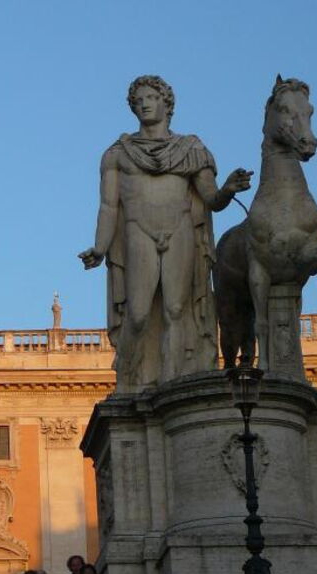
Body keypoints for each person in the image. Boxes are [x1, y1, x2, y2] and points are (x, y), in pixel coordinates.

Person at [79, 75, 251, 393]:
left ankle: (172, 385)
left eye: (151, 97)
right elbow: (108, 207)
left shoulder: (192, 149)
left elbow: (212, 200)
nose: (144, 103)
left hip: (180, 229)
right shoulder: (117, 154)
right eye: (138, 100)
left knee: (176, 309)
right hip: (137, 231)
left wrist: (228, 187)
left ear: (166, 104)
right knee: (139, 312)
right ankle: (128, 380)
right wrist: (100, 247)